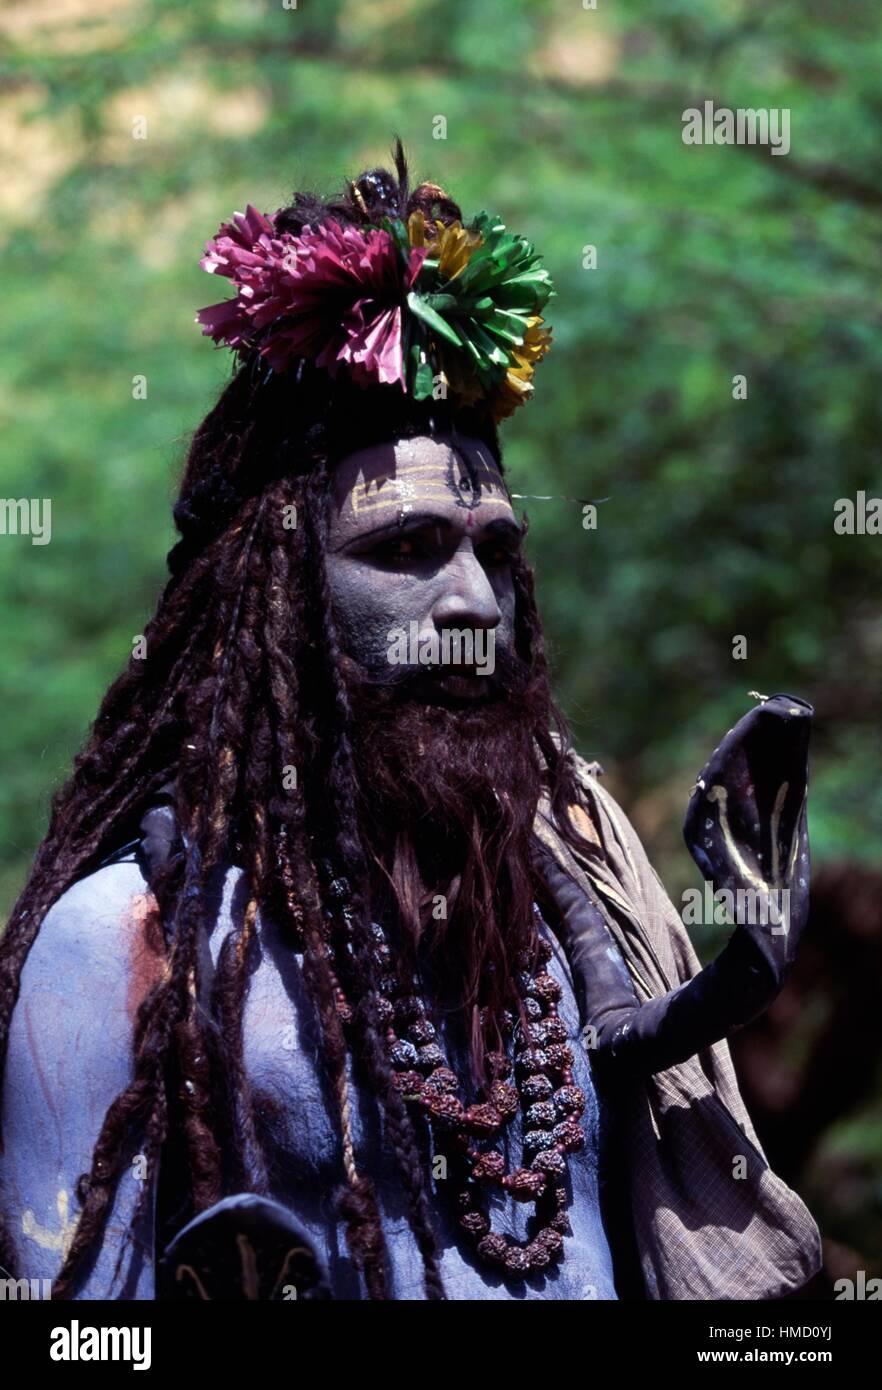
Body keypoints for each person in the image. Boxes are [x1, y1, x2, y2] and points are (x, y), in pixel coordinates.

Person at [0, 142, 821, 1301]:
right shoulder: (124, 947)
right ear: (275, 594)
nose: (473, 601)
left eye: (495, 550)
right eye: (404, 549)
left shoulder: (564, 912)